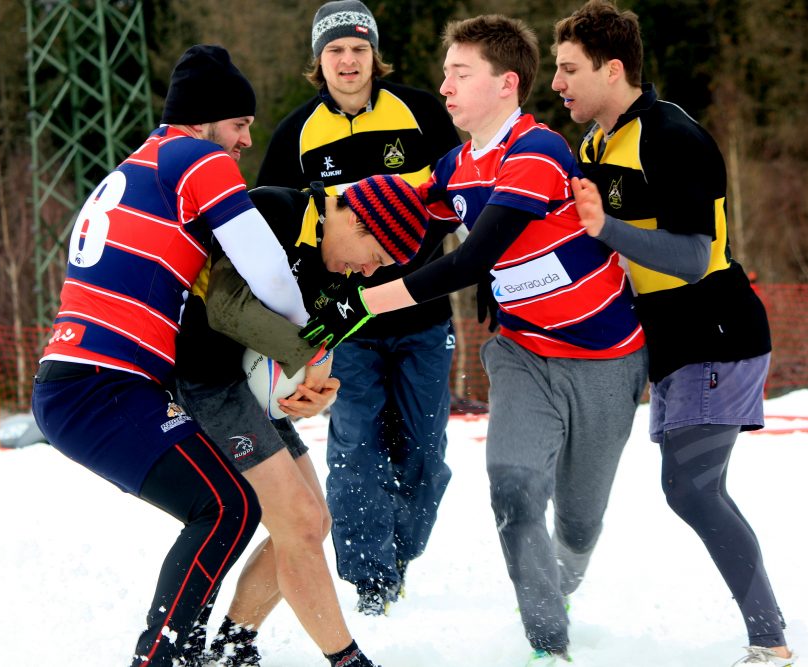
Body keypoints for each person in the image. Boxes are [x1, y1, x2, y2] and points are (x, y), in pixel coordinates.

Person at [299, 15, 648, 666]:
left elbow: (468, 260)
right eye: (445, 73)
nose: (445, 86)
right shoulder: (455, 165)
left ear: (506, 84)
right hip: (522, 351)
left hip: (606, 356)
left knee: (577, 519)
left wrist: (356, 304)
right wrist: (335, 233)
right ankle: (550, 646)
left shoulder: (537, 152)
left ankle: (561, 582)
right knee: (514, 487)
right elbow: (399, 207)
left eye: (460, 74)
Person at [31, 45, 311, 667]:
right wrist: (307, 344)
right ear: (206, 119)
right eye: (239, 124)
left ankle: (178, 651)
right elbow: (265, 267)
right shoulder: (195, 157)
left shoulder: (141, 164)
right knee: (226, 506)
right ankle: (163, 657)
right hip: (101, 385)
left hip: (89, 380)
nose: (244, 141)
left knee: (228, 504)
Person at [551, 3, 797, 665]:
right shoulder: (596, 145)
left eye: (570, 69)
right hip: (667, 340)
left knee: (692, 488)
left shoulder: (670, 134)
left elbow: (692, 256)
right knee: (663, 482)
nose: (558, 83)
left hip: (718, 331)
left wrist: (604, 228)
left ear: (612, 68)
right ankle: (549, 607)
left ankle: (770, 639)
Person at [256, 0, 462, 616]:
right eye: (335, 51)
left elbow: (464, 198)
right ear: (319, 62)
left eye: (358, 49)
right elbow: (274, 235)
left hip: (423, 313)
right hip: (347, 323)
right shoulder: (295, 133)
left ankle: (401, 553)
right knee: (355, 450)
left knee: (424, 452)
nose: (348, 61)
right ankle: (372, 583)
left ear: (375, 55)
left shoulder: (422, 113)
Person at [174, 174, 429, 667]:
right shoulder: (274, 210)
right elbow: (227, 309)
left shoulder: (338, 268)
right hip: (205, 380)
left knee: (315, 520)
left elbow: (318, 341)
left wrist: (319, 390)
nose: (366, 271)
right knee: (300, 522)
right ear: (356, 219)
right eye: (374, 255)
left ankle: (233, 645)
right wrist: (307, 356)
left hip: (250, 386)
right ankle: (346, 659)